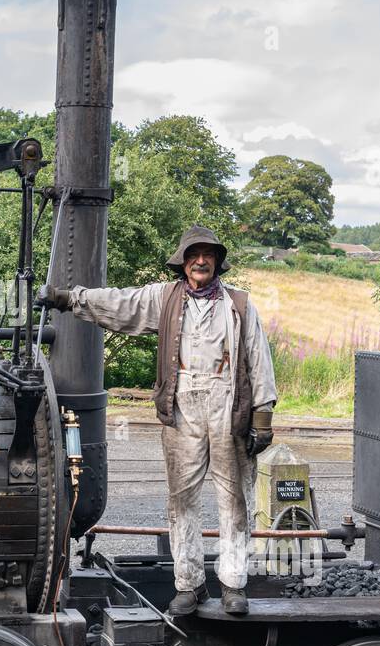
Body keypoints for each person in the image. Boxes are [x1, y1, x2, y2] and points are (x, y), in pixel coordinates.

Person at [39, 226, 277, 615]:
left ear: (217, 261)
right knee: (181, 500)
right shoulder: (164, 298)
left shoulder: (240, 305)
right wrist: (68, 299)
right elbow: (119, 303)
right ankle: (189, 585)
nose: (200, 261)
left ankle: (233, 585)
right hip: (182, 407)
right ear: (183, 262)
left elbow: (259, 357)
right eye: (193, 254)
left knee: (234, 500)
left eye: (207, 254)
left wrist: (262, 418)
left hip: (228, 407)